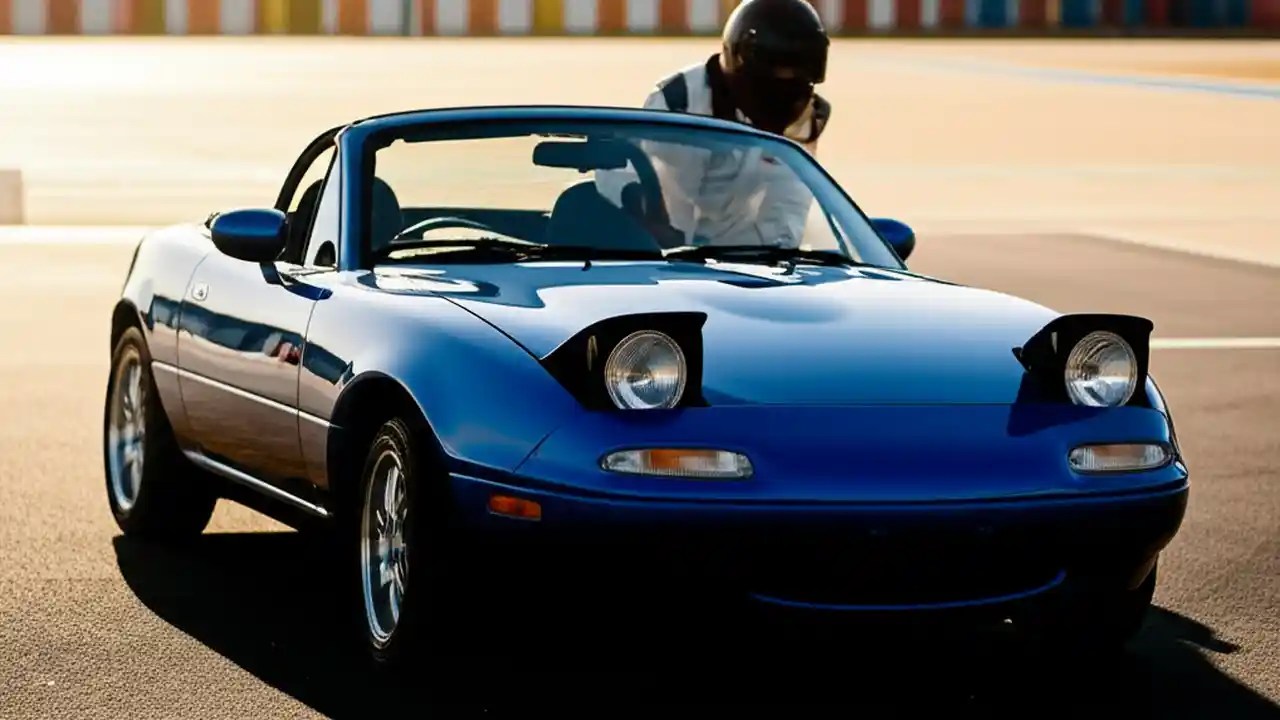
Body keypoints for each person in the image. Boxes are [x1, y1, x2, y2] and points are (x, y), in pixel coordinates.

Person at [594, 0, 832, 249]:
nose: (785, 92)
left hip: (743, 259)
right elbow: (669, 209)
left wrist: (777, 256)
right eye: (778, 76)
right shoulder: (681, 103)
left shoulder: (804, 117)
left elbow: (787, 208)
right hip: (660, 255)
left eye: (796, 78)